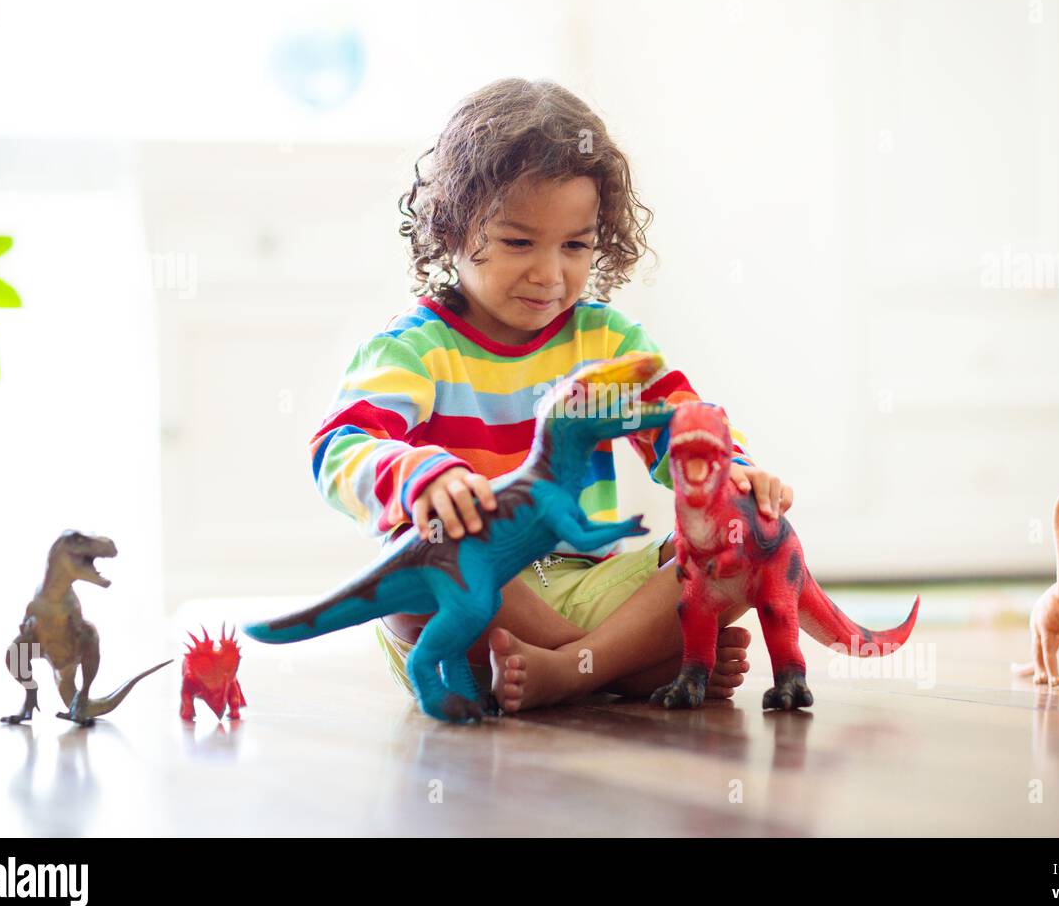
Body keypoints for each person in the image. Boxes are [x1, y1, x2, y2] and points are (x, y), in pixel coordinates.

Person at [309, 78, 794, 713]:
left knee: (747, 530)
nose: (550, 273)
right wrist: (418, 476)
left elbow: (684, 429)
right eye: (518, 243)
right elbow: (339, 449)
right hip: (473, 613)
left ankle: (563, 671)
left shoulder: (608, 340)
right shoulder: (412, 349)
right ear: (453, 226)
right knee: (416, 562)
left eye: (576, 245)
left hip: (596, 583)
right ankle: (612, 665)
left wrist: (737, 477)